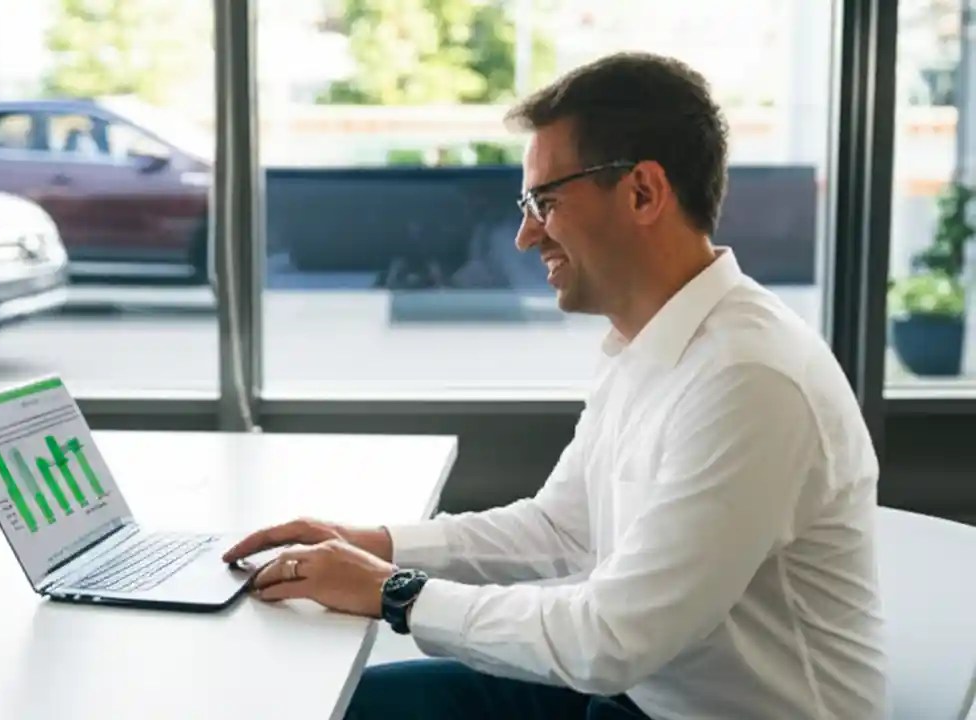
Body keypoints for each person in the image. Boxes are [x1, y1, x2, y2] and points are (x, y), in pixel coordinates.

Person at [223, 52, 887, 720]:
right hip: (631, 693)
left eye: (546, 201)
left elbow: (611, 639)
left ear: (643, 193)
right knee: (334, 709)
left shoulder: (749, 379)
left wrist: (395, 592)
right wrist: (374, 546)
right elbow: (563, 532)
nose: (523, 235)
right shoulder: (650, 342)